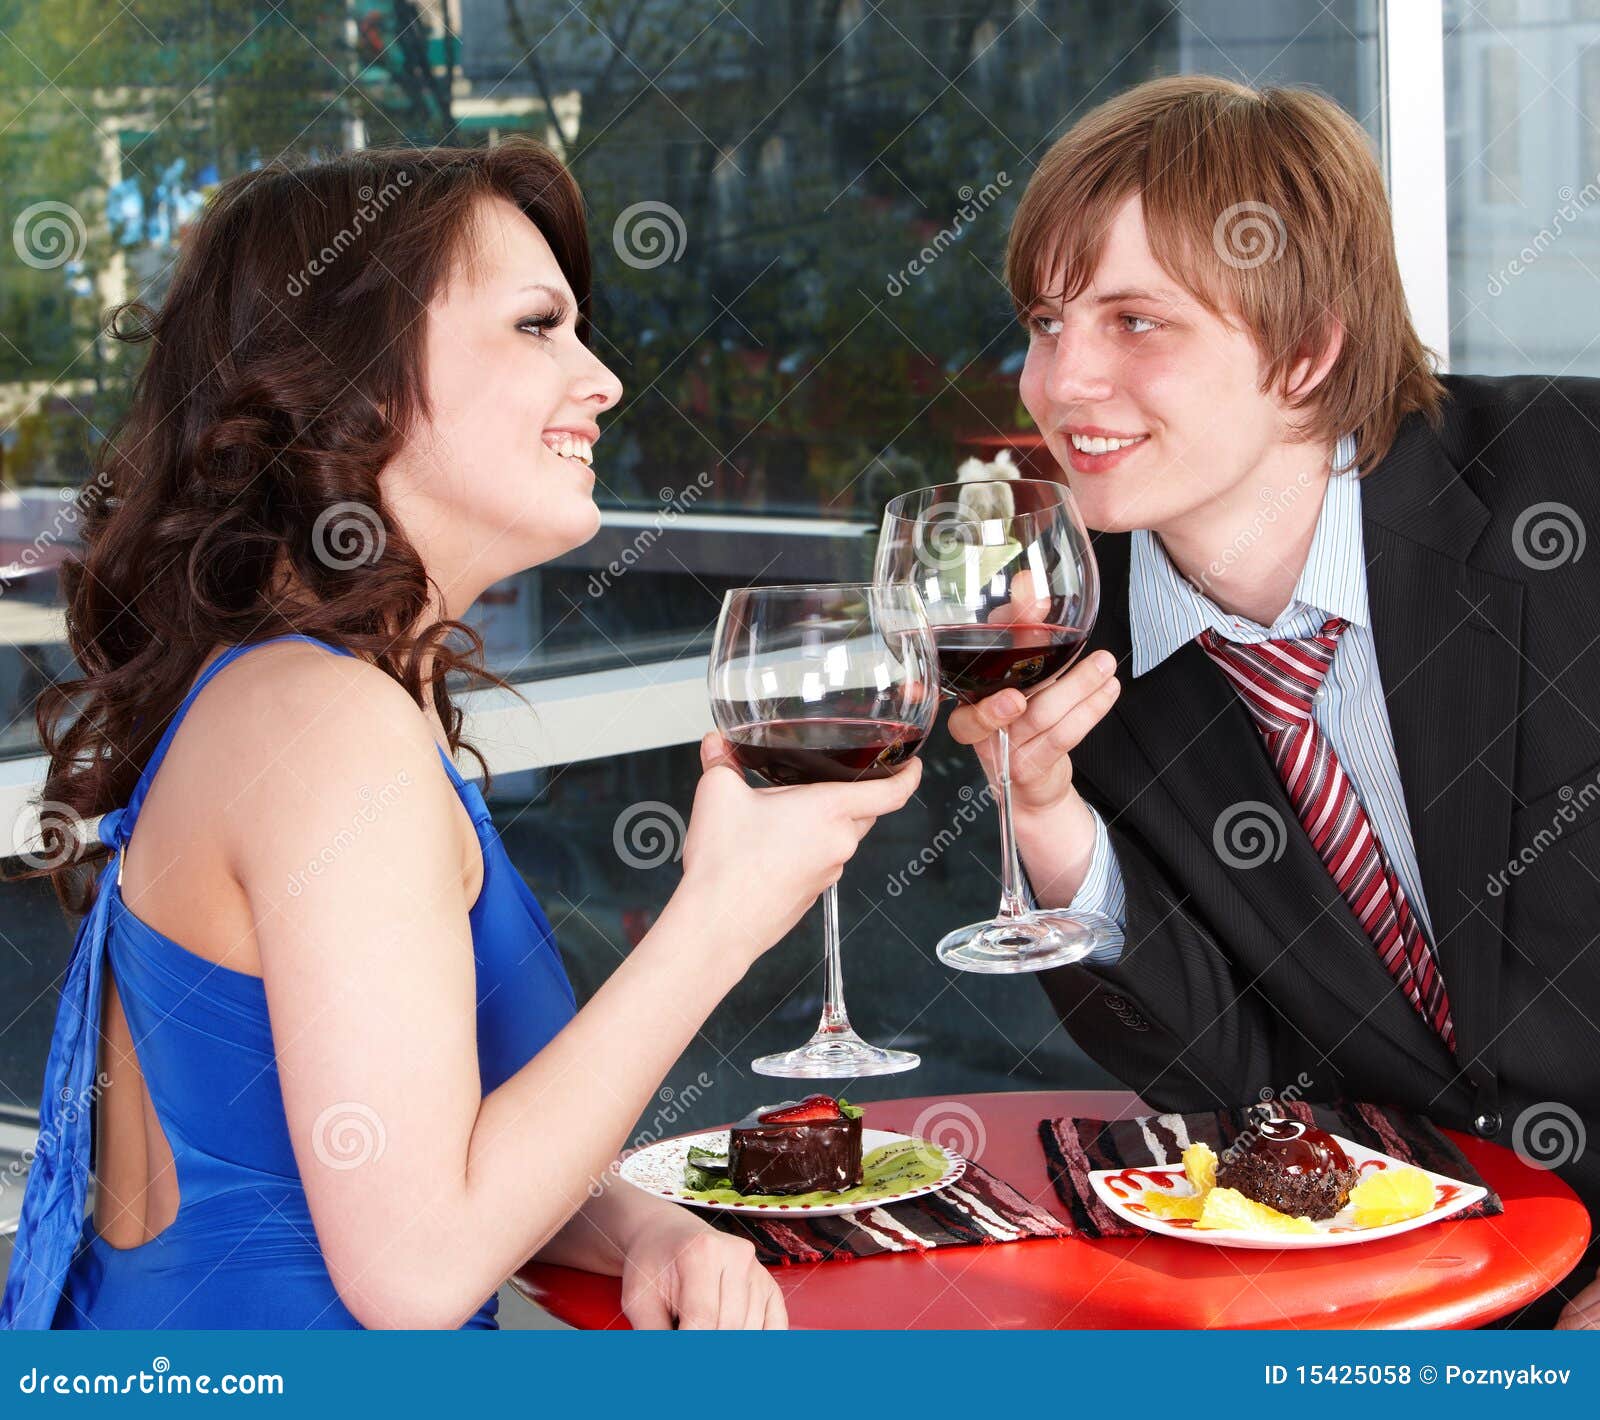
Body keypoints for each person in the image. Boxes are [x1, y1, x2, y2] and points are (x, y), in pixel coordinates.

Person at [0, 141, 921, 1330]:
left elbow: (418, 1159)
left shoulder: (308, 696)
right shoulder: (327, 727)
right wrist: (721, 912)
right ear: (354, 380)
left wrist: (637, 1224)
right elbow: (418, 1268)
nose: (601, 380)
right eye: (538, 326)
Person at [948, 75, 1599, 1329]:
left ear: (1308, 347)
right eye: (1045, 318)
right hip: (1418, 1308)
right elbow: (1235, 1086)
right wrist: (1051, 829)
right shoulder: (1073, 638)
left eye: (1136, 321)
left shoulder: (1566, 491)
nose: (1060, 380)